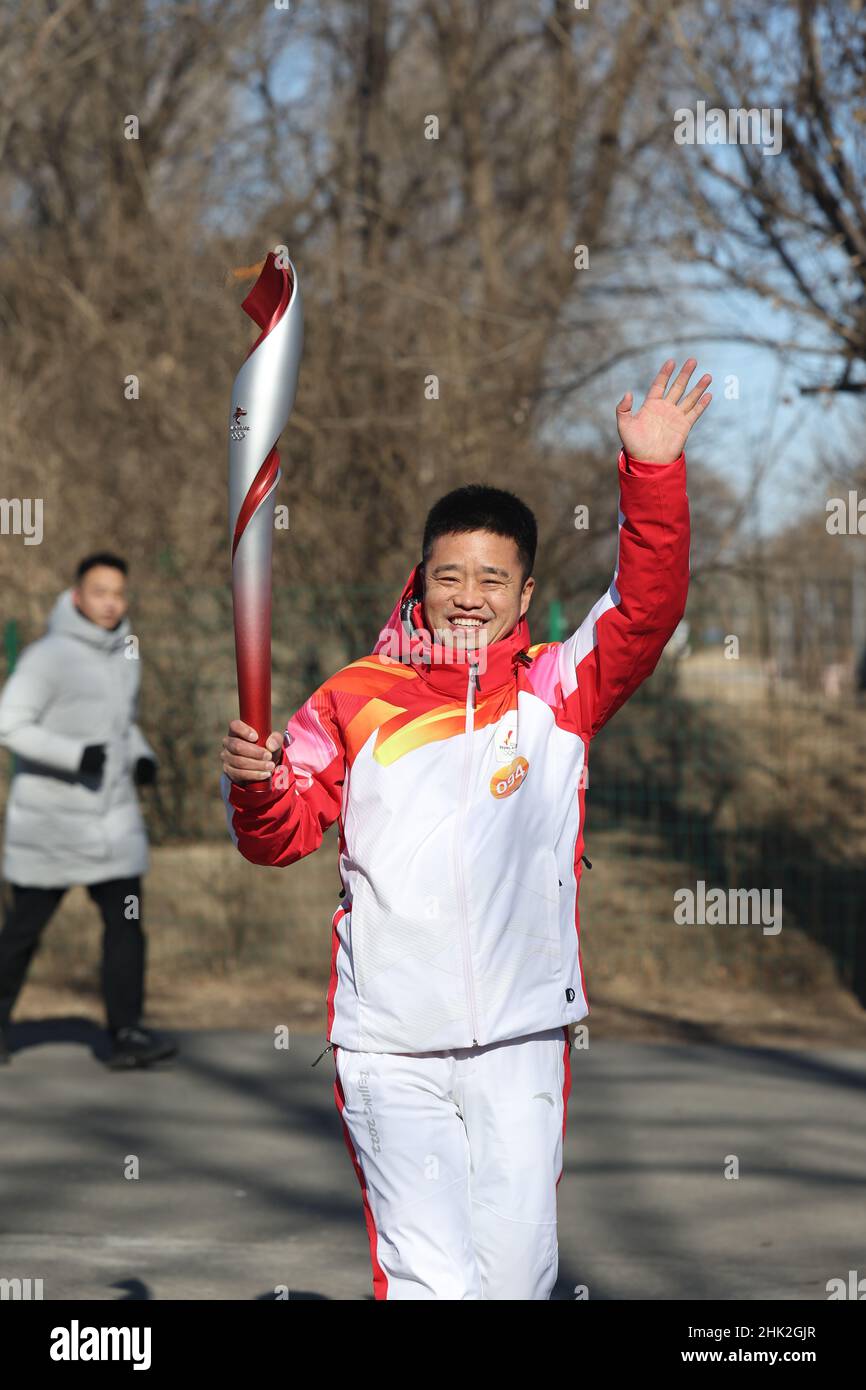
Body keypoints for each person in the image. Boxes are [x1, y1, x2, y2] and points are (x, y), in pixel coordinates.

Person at [220, 358, 711, 1299]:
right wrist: (256, 788)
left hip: (521, 1038)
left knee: (516, 1277)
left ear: (526, 596)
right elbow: (276, 834)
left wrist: (650, 474)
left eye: (494, 578)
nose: (469, 595)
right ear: (423, 580)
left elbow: (648, 609)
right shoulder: (355, 698)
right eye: (450, 575)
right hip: (389, 1044)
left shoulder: (561, 690)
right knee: (430, 1278)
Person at [0, 552, 176, 1069]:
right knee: (22, 932)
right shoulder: (47, 657)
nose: (111, 603)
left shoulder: (126, 654)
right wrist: (74, 755)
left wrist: (141, 757)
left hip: (112, 824)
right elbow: (8, 724)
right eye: (100, 592)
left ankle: (126, 1034)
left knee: (127, 925)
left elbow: (123, 724)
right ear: (77, 596)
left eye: (118, 593)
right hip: (51, 827)